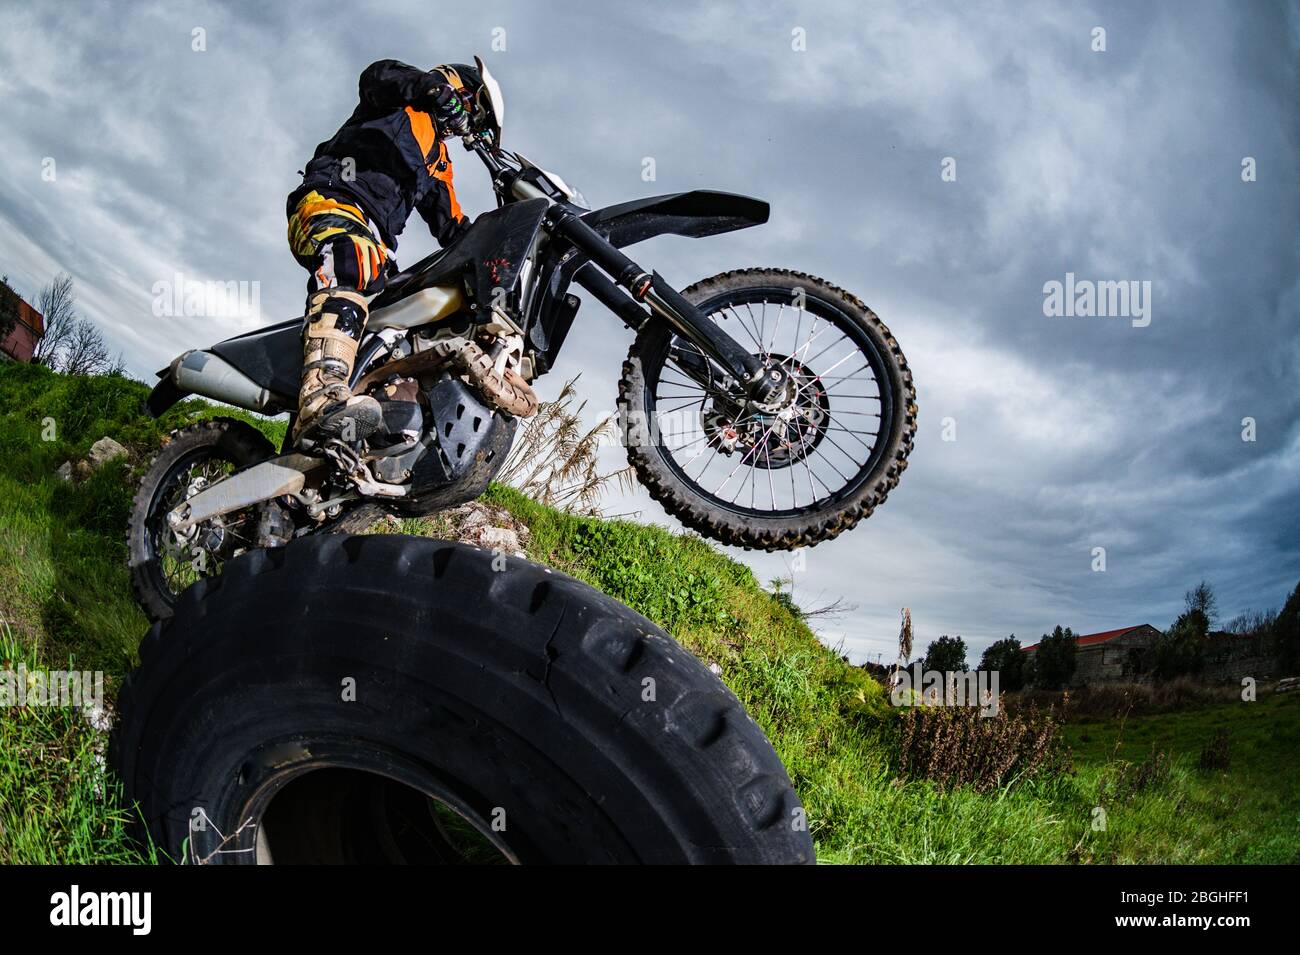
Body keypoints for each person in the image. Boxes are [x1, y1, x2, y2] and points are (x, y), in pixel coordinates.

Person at [285, 57, 503, 446]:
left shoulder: (439, 161)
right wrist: (434, 89)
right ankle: (320, 395)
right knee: (357, 259)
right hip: (329, 204)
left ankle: (373, 431)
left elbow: (453, 227)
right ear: (467, 92)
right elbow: (376, 76)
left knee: (405, 318)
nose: (463, 125)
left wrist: (496, 247)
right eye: (473, 113)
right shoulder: (403, 95)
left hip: (378, 241)